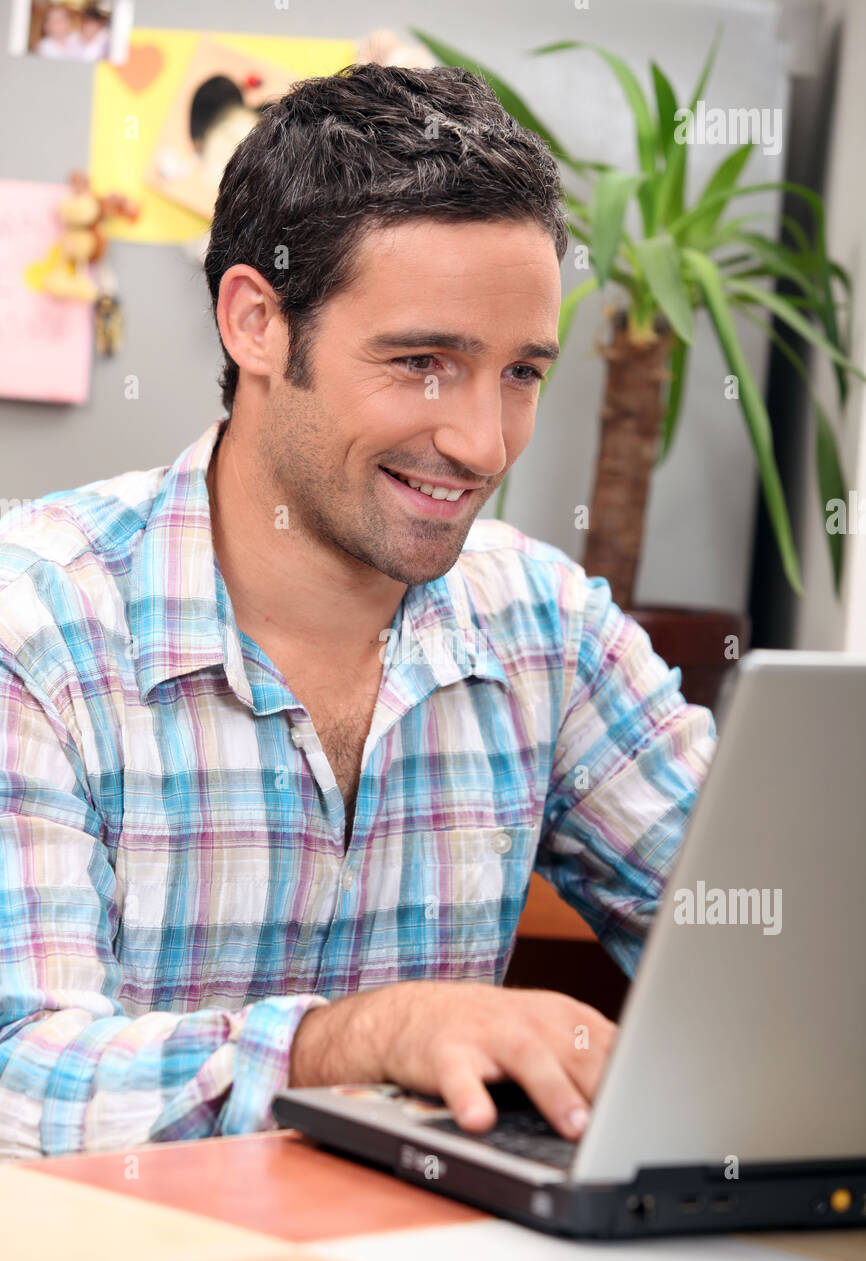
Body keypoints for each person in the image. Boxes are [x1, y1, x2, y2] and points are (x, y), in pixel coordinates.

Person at [0, 64, 716, 1160]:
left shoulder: (545, 628)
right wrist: (350, 1042)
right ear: (256, 322)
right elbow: (20, 1073)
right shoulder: (35, 625)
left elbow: (765, 934)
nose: (482, 443)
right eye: (422, 363)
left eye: (519, 372)